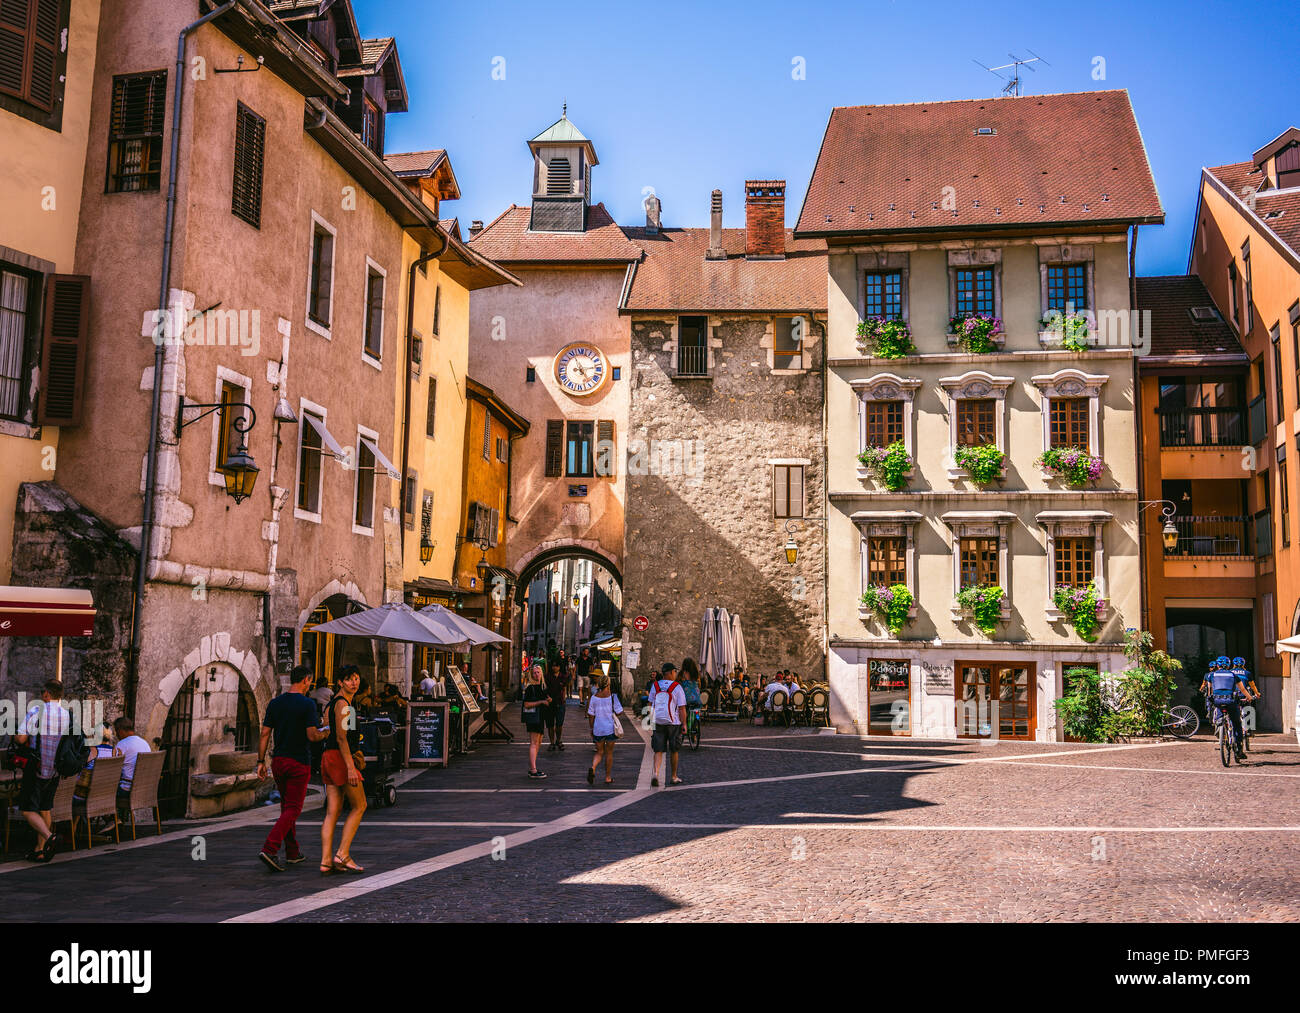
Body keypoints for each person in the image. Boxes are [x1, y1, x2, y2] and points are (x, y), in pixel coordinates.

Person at [257, 665, 329, 871]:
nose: (310, 685)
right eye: (310, 681)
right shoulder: (307, 704)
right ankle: (270, 848)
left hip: (278, 761)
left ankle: (292, 852)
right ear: (306, 679)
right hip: (298, 761)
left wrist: (260, 761)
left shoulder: (275, 703)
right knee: (294, 809)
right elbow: (312, 735)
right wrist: (326, 732)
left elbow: (264, 734)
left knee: (286, 807)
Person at [14, 680, 71, 861]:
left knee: (26, 809)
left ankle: (49, 837)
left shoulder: (37, 712)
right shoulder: (67, 715)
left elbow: (21, 739)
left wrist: (15, 736)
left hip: (36, 767)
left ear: (46, 694)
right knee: (45, 808)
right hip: (55, 769)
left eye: (42, 692)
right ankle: (41, 850)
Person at [320, 665, 367, 874]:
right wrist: (350, 767)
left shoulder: (331, 705)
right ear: (340, 682)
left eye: (356, 678)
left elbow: (326, 729)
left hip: (329, 757)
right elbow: (342, 737)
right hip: (341, 758)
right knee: (360, 805)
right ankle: (343, 853)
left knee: (333, 811)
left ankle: (325, 860)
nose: (354, 682)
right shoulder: (345, 705)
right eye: (349, 679)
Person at [1201, 656, 1248, 761]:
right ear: (1229, 665)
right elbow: (1243, 689)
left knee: (1219, 716)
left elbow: (1210, 690)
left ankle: (1221, 728)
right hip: (1230, 701)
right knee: (1236, 723)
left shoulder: (1211, 675)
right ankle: (1239, 749)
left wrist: (1211, 701)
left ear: (1217, 665)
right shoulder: (1233, 675)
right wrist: (1249, 697)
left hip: (1217, 701)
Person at [648, 662, 687, 787]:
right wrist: (684, 724)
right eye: (675, 672)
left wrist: (649, 721)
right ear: (670, 673)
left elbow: (650, 705)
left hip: (658, 721)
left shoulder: (655, 685)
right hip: (674, 723)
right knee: (674, 750)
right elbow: (682, 708)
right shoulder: (677, 687)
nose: (675, 674)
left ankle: (656, 773)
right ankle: (673, 776)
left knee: (658, 750)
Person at [586, 674, 624, 785]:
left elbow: (591, 715)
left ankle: (593, 767)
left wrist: (591, 728)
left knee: (599, 752)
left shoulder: (594, 697)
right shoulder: (612, 696)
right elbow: (619, 711)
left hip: (598, 728)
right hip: (610, 729)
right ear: (608, 684)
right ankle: (607, 777)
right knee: (609, 753)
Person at [111, 717, 151, 805]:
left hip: (127, 789)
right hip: (143, 788)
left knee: (100, 790)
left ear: (120, 730)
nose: (116, 735)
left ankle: (111, 817)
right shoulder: (144, 743)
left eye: (116, 732)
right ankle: (116, 817)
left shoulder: (122, 744)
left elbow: (114, 769)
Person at [521, 665, 549, 779]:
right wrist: (541, 702)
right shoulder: (530, 688)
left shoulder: (542, 687)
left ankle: (534, 767)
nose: (536, 674)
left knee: (538, 742)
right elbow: (527, 705)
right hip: (533, 718)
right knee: (533, 743)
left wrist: (547, 700)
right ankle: (533, 770)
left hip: (540, 717)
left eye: (538, 672)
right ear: (531, 675)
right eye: (534, 673)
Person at [543, 659, 569, 751]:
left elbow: (564, 688)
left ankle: (558, 740)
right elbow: (544, 689)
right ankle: (552, 742)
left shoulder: (563, 677)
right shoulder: (547, 677)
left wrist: (564, 699)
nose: (555, 667)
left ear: (559, 667)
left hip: (560, 703)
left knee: (559, 724)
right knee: (550, 724)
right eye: (553, 666)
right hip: (550, 703)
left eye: (557, 666)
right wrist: (547, 697)